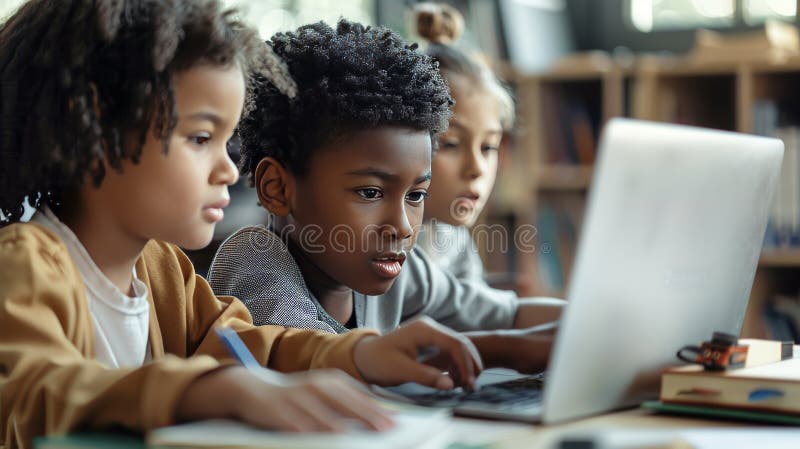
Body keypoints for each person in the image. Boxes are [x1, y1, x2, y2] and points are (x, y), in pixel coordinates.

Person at [0, 2, 482, 448]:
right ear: (93, 130)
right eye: (201, 137)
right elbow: (36, 393)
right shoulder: (25, 265)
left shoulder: (163, 272)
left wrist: (359, 356)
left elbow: (251, 349)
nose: (229, 169)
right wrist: (210, 387)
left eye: (227, 140)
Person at [209, 19, 561, 377]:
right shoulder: (254, 260)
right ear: (278, 189)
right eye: (371, 192)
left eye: (416, 195)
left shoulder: (395, 269)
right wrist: (504, 349)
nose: (403, 227)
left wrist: (596, 321)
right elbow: (315, 359)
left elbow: (508, 314)